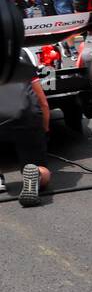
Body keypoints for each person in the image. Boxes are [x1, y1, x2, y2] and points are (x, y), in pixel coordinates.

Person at [0, 55, 51, 208]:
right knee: (39, 167)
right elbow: (43, 102)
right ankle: (36, 174)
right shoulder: (21, 59)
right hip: (26, 117)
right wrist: (45, 128)